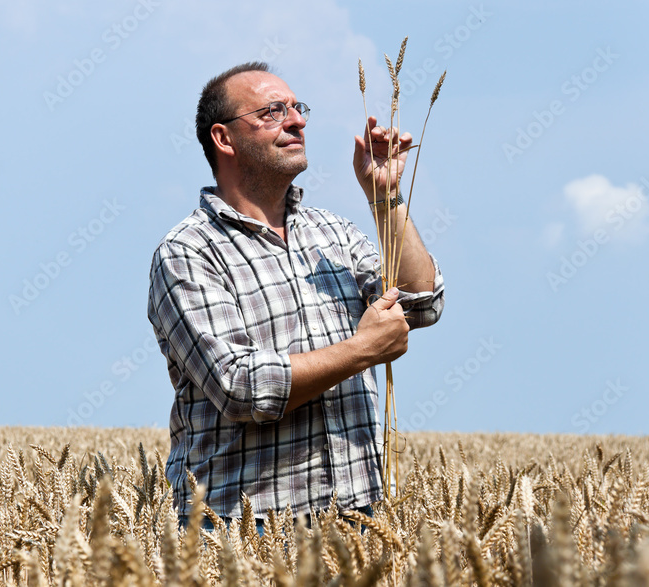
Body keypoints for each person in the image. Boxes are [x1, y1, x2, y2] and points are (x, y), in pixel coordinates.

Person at [147, 61, 445, 526]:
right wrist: (362, 349)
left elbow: (421, 304)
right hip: (241, 531)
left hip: (357, 520)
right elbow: (240, 387)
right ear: (223, 138)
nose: (297, 121)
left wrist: (385, 196)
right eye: (273, 111)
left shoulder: (334, 234)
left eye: (297, 108)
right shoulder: (188, 252)